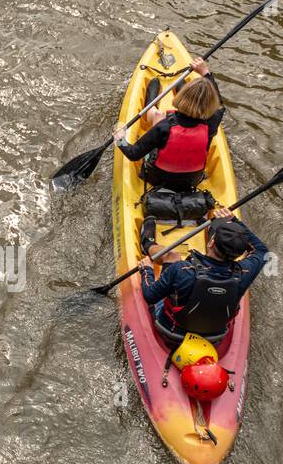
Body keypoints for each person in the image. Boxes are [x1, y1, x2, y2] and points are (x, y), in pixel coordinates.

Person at [137, 207, 268, 341]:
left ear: (211, 242)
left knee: (171, 256)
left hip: (172, 330)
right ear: (241, 253)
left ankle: (147, 243)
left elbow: (150, 296)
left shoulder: (181, 269)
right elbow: (262, 251)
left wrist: (146, 270)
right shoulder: (245, 272)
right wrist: (236, 222)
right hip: (215, 335)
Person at [111, 57, 225, 194]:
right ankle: (177, 85)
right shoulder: (213, 121)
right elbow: (219, 103)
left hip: (156, 179)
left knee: (157, 115)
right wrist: (206, 73)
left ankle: (152, 99)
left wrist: (120, 139)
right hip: (192, 180)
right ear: (211, 103)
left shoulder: (164, 126)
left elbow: (134, 154)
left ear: (181, 98)